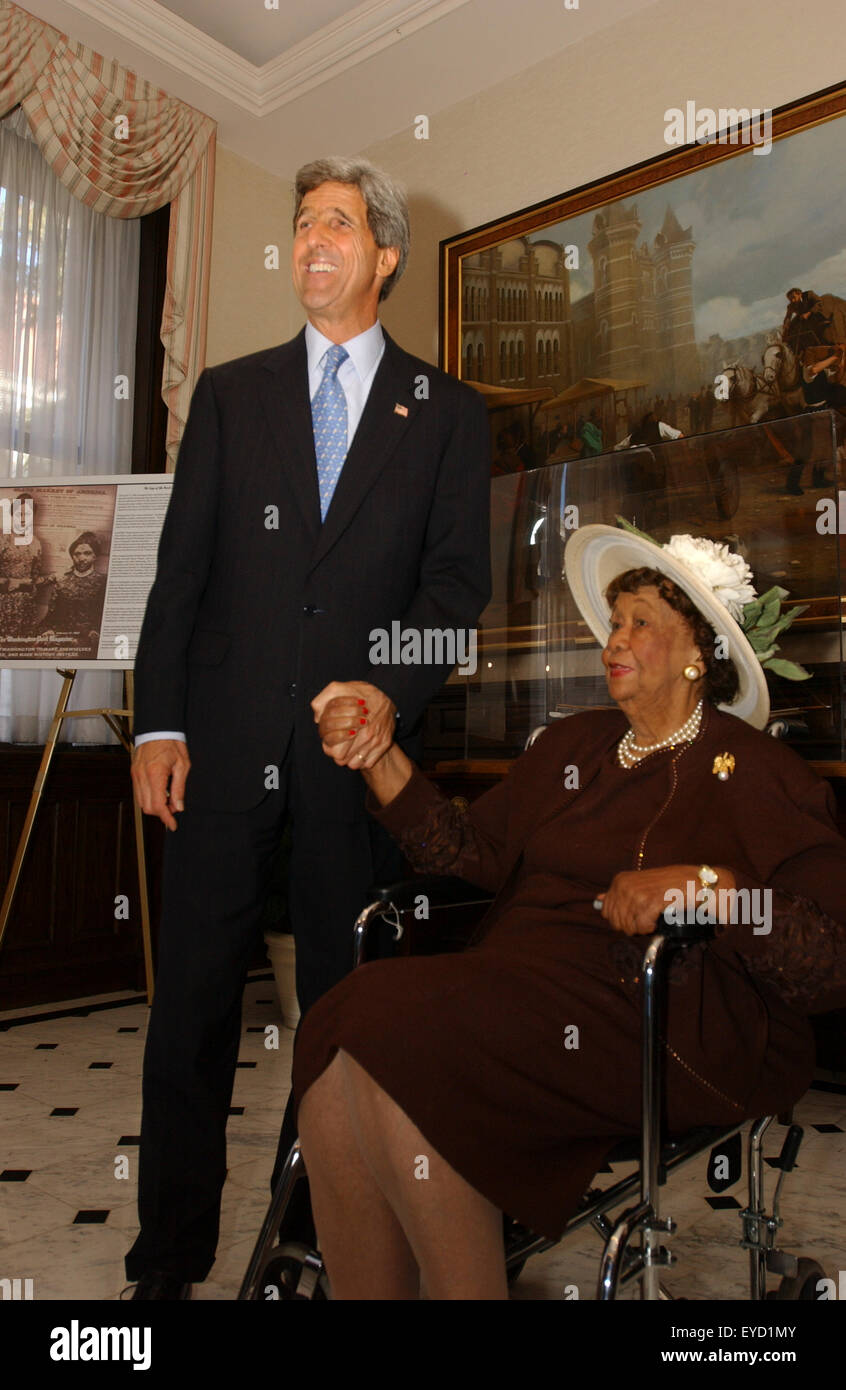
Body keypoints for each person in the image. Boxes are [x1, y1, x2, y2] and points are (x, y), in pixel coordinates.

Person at [292, 522, 846, 1300]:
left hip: (657, 1016)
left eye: (640, 623)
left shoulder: (759, 773)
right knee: (338, 1034)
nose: (613, 641)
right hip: (518, 984)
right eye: (613, 623)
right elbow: (463, 852)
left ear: (700, 653)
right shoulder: (571, 748)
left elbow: (827, 958)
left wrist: (711, 887)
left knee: (395, 1032)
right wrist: (379, 757)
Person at [124, 157, 492, 1298]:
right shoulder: (232, 396)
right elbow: (180, 577)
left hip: (354, 770)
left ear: (384, 254)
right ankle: (166, 1257)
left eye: (337, 223)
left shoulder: (447, 414)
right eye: (301, 224)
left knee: (342, 1023)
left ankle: (331, 1243)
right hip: (222, 757)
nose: (312, 240)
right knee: (187, 1014)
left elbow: (457, 593)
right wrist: (156, 725)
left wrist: (389, 688)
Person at [38, 531, 107, 656]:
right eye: (77, 554)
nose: (81, 558)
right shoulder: (62, 580)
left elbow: (104, 614)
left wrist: (96, 631)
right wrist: (48, 630)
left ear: (95, 556)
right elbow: (52, 614)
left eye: (87, 553)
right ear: (72, 556)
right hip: (62, 637)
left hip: (89, 639)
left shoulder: (103, 582)